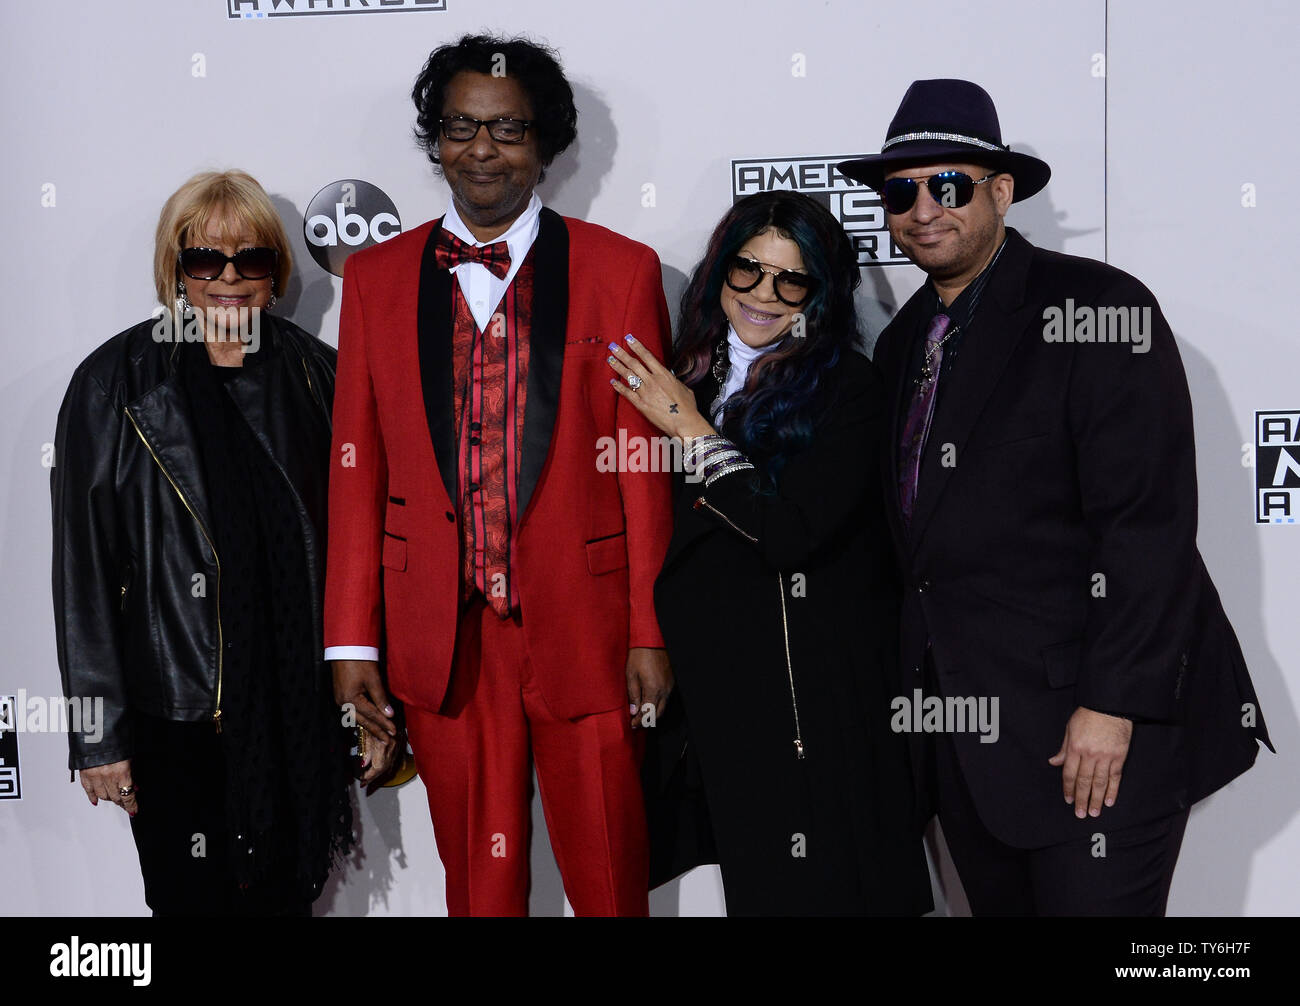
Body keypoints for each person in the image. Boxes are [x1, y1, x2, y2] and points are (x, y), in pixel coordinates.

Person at [838, 79, 1273, 915]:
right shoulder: (899, 347)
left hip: (1098, 735)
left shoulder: (1098, 309)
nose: (923, 208)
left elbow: (1147, 529)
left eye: (950, 185)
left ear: (1001, 192)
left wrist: (1113, 707)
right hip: (966, 747)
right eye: (901, 191)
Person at [324, 34, 674, 917]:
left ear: (546, 146)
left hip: (586, 628)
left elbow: (643, 469)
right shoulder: (372, 279)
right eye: (461, 127)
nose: (482, 150)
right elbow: (355, 474)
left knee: (608, 881)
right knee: (479, 892)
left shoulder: (619, 271)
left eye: (509, 129)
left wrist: (650, 628)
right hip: (443, 635)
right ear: (434, 138)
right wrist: (351, 642)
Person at [613, 190, 933, 916]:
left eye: (791, 279)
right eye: (746, 270)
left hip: (812, 707)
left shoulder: (847, 389)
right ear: (719, 271)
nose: (763, 294)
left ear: (822, 291)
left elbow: (789, 532)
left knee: (835, 892)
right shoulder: (682, 375)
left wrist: (692, 433)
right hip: (718, 699)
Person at [51, 169, 355, 916]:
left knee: (287, 901)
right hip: (175, 717)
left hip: (295, 715)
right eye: (204, 260)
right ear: (175, 270)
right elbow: (82, 572)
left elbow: (359, 549)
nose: (228, 280)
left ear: (276, 274)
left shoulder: (319, 378)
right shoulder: (112, 383)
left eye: (250, 260)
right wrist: (97, 737)